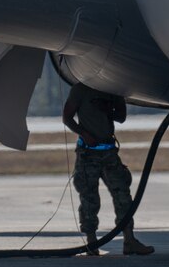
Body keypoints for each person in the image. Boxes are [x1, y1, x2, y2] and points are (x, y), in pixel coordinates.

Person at [62, 83, 155, 256]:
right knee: (89, 198)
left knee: (123, 196)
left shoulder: (114, 86)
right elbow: (67, 117)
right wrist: (84, 134)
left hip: (109, 153)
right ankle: (91, 242)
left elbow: (121, 117)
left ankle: (129, 240)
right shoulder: (81, 89)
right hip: (88, 153)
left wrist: (107, 108)